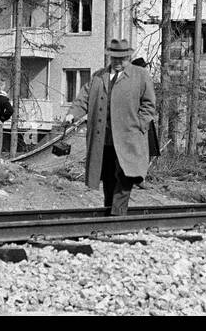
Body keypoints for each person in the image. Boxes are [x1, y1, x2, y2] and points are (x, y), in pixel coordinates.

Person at [63, 38, 156, 216]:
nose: (118, 62)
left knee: (126, 174)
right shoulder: (99, 76)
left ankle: (117, 213)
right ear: (110, 57)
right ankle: (109, 210)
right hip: (103, 137)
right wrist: (72, 114)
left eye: (122, 59)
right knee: (107, 175)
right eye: (115, 58)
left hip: (129, 136)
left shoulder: (140, 75)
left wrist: (140, 125)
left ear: (128, 57)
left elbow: (149, 104)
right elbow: (84, 98)